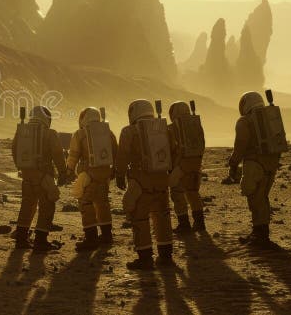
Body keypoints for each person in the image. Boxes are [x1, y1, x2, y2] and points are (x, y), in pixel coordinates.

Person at [115, 99, 174, 270]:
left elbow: (122, 155)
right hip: (162, 181)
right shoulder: (164, 129)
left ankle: (145, 257)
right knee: (162, 217)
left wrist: (119, 174)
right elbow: (174, 151)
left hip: (141, 181)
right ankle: (166, 256)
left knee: (140, 219)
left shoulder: (129, 131)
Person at [227, 91, 283, 249]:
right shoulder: (271, 118)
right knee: (262, 196)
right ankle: (261, 232)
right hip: (271, 164)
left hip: (254, 164)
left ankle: (259, 235)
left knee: (254, 196)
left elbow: (240, 145)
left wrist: (233, 163)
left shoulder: (244, 121)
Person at [11, 106, 64, 252]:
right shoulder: (49, 133)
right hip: (44, 176)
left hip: (27, 176)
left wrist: (21, 167)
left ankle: (21, 238)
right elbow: (58, 154)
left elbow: (14, 150)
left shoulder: (22, 131)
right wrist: (63, 172)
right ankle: (41, 240)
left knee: (27, 206)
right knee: (47, 206)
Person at [66, 107, 118, 251]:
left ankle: (91, 238)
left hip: (88, 175)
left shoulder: (80, 134)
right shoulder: (109, 132)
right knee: (102, 204)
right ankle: (107, 235)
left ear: (84, 118)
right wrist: (114, 171)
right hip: (105, 175)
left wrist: (69, 170)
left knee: (86, 204)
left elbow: (74, 155)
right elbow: (116, 152)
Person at [168, 101, 206, 233]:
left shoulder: (172, 128)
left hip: (180, 165)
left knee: (177, 193)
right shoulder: (196, 125)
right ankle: (200, 223)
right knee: (193, 193)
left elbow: (170, 147)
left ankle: (184, 224)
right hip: (195, 164)